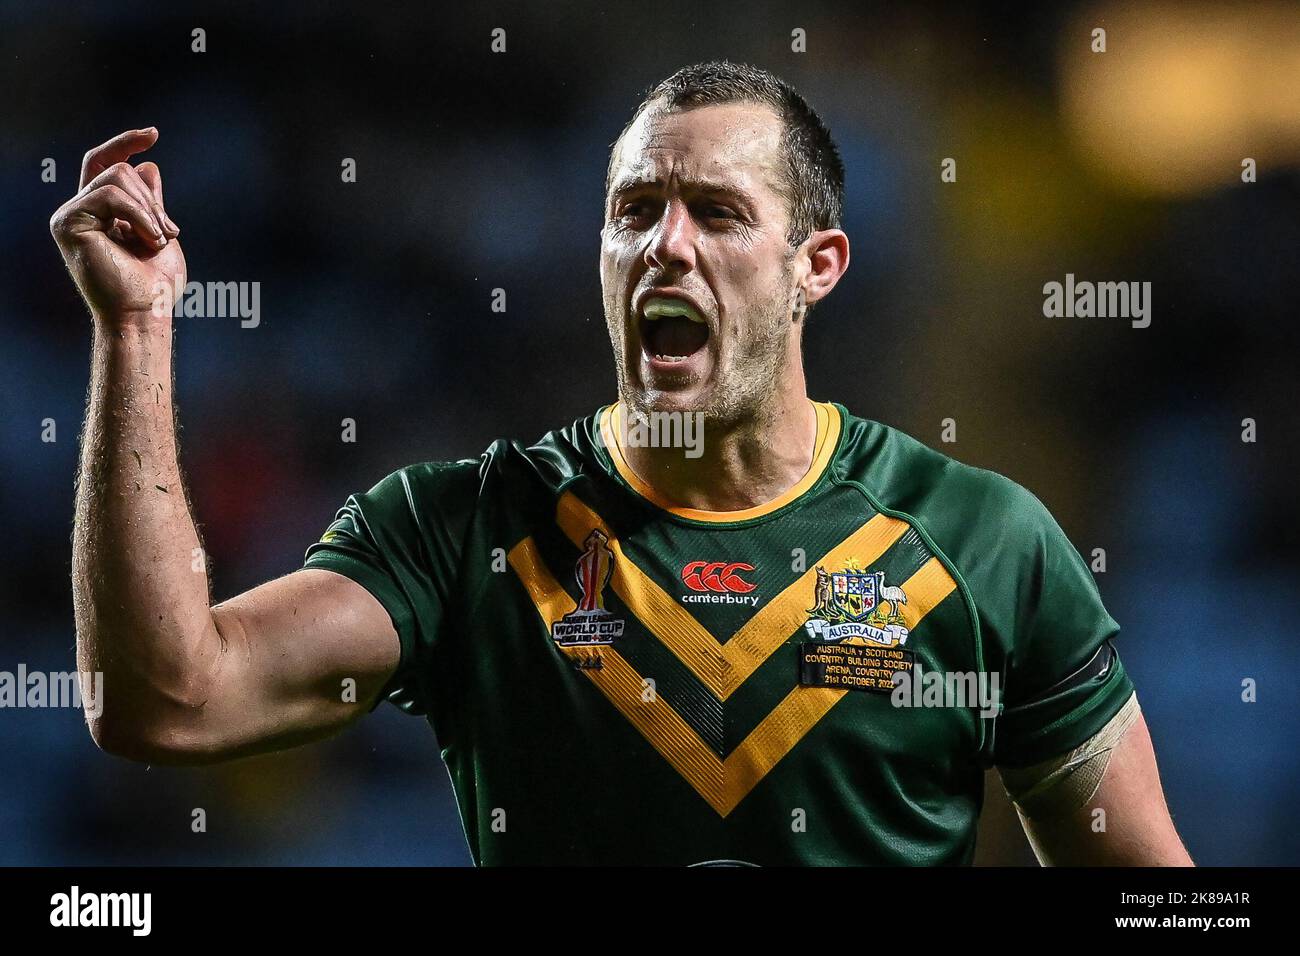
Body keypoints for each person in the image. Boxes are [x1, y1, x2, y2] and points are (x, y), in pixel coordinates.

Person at [50, 60, 1192, 865]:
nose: (665, 244)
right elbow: (166, 700)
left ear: (817, 266)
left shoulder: (984, 541)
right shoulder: (467, 530)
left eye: (717, 213)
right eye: (634, 210)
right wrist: (135, 327)